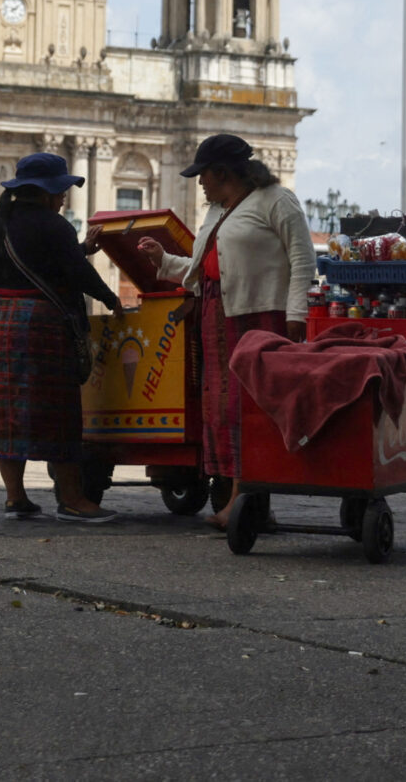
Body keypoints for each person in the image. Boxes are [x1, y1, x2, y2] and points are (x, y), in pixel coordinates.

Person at [137, 133, 315, 530]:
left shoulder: (276, 201)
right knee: (223, 409)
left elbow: (303, 259)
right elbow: (204, 267)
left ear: (222, 173)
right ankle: (240, 497)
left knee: (252, 410)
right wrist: (162, 260)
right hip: (218, 315)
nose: (199, 183)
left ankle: (246, 500)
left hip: (259, 317)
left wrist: (296, 315)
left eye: (203, 175)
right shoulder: (217, 211)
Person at [0, 153, 122, 521]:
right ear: (46, 192)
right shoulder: (54, 225)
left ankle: (16, 497)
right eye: (60, 190)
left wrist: (80, 250)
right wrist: (111, 299)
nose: (63, 198)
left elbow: (36, 266)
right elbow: (74, 273)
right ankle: (74, 500)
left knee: (6, 411)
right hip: (37, 325)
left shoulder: (1, 222)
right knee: (57, 410)